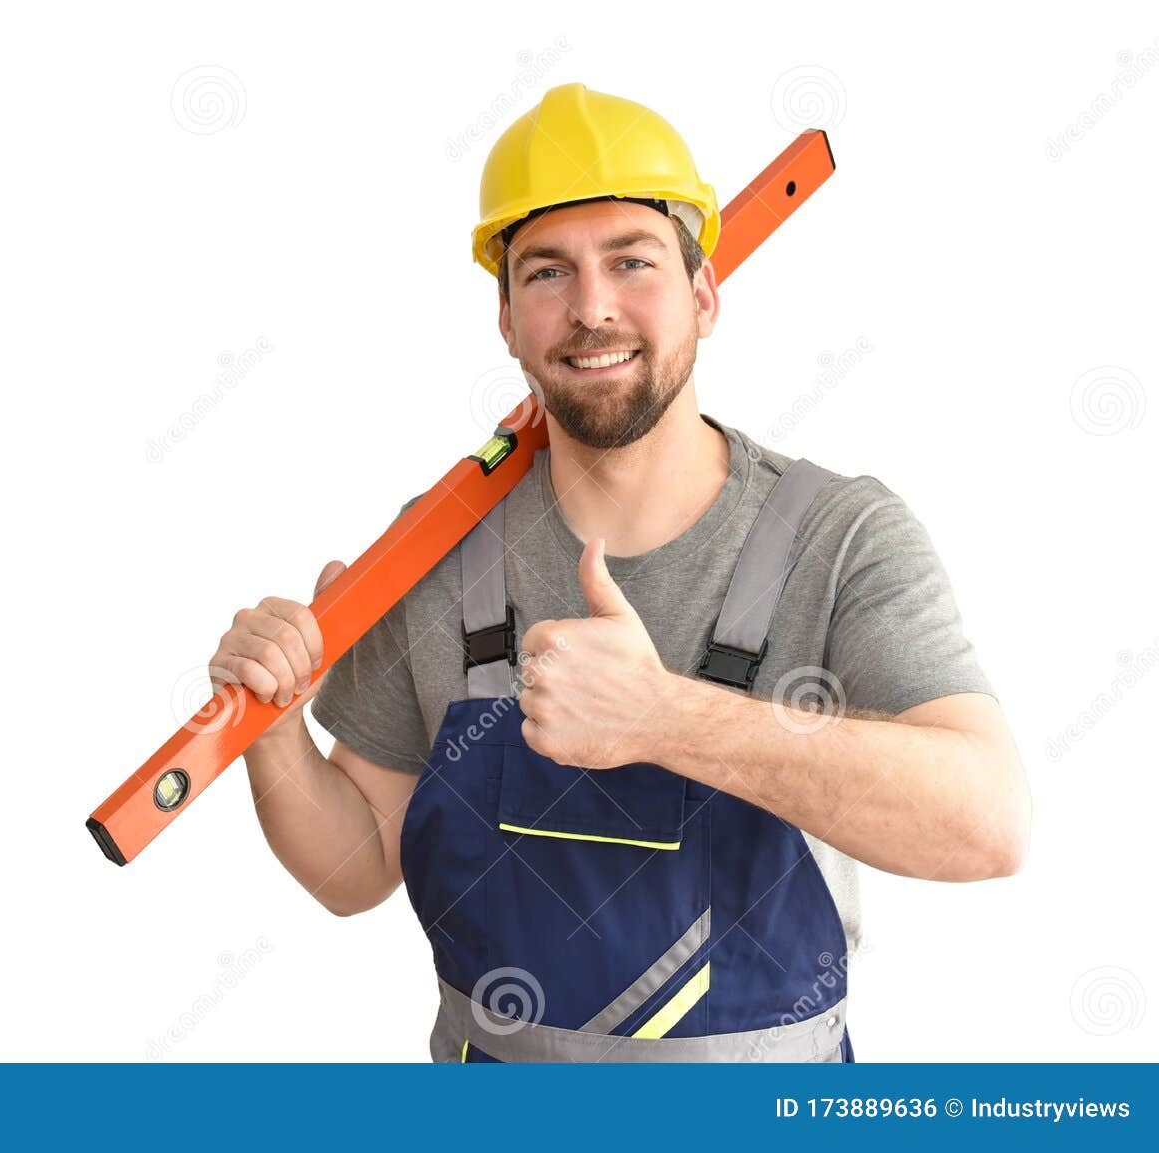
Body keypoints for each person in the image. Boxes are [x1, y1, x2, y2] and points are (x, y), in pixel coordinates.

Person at [207, 84, 1030, 1062]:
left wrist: (663, 718)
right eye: (547, 272)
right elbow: (353, 868)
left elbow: (987, 822)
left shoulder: (838, 537)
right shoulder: (432, 555)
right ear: (507, 319)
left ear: (705, 293)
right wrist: (275, 732)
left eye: (631, 262)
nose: (591, 308)